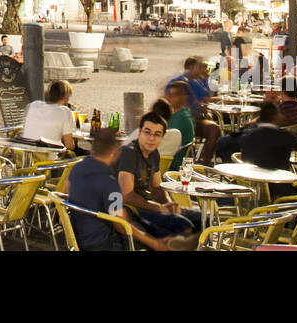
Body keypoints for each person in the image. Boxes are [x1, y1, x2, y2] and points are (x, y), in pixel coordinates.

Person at [65, 127, 194, 250]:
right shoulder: (110, 183)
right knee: (157, 240)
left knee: (144, 225)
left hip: (78, 236)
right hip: (104, 242)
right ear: (115, 152)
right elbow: (122, 226)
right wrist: (155, 244)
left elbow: (65, 194)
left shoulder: (77, 168)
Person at [117, 112, 203, 244]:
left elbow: (156, 187)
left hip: (145, 204)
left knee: (202, 218)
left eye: (157, 134)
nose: (151, 138)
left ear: (162, 137)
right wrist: (158, 208)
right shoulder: (128, 152)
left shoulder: (153, 153)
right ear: (139, 132)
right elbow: (127, 195)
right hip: (126, 208)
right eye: (147, 132)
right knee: (183, 226)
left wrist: (168, 203)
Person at [239, 102, 297, 198]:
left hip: (252, 190)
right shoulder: (285, 136)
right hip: (280, 190)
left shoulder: (248, 136)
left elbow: (244, 158)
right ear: (275, 117)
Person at [22, 80, 76, 152]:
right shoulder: (63, 111)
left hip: (25, 155)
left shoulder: (32, 105)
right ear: (65, 98)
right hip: (48, 158)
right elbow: (69, 145)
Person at [164, 80, 196, 171]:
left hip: (169, 162)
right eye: (169, 94)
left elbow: (165, 142)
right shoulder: (177, 114)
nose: (169, 98)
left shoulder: (182, 118)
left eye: (174, 95)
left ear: (184, 97)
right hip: (168, 158)